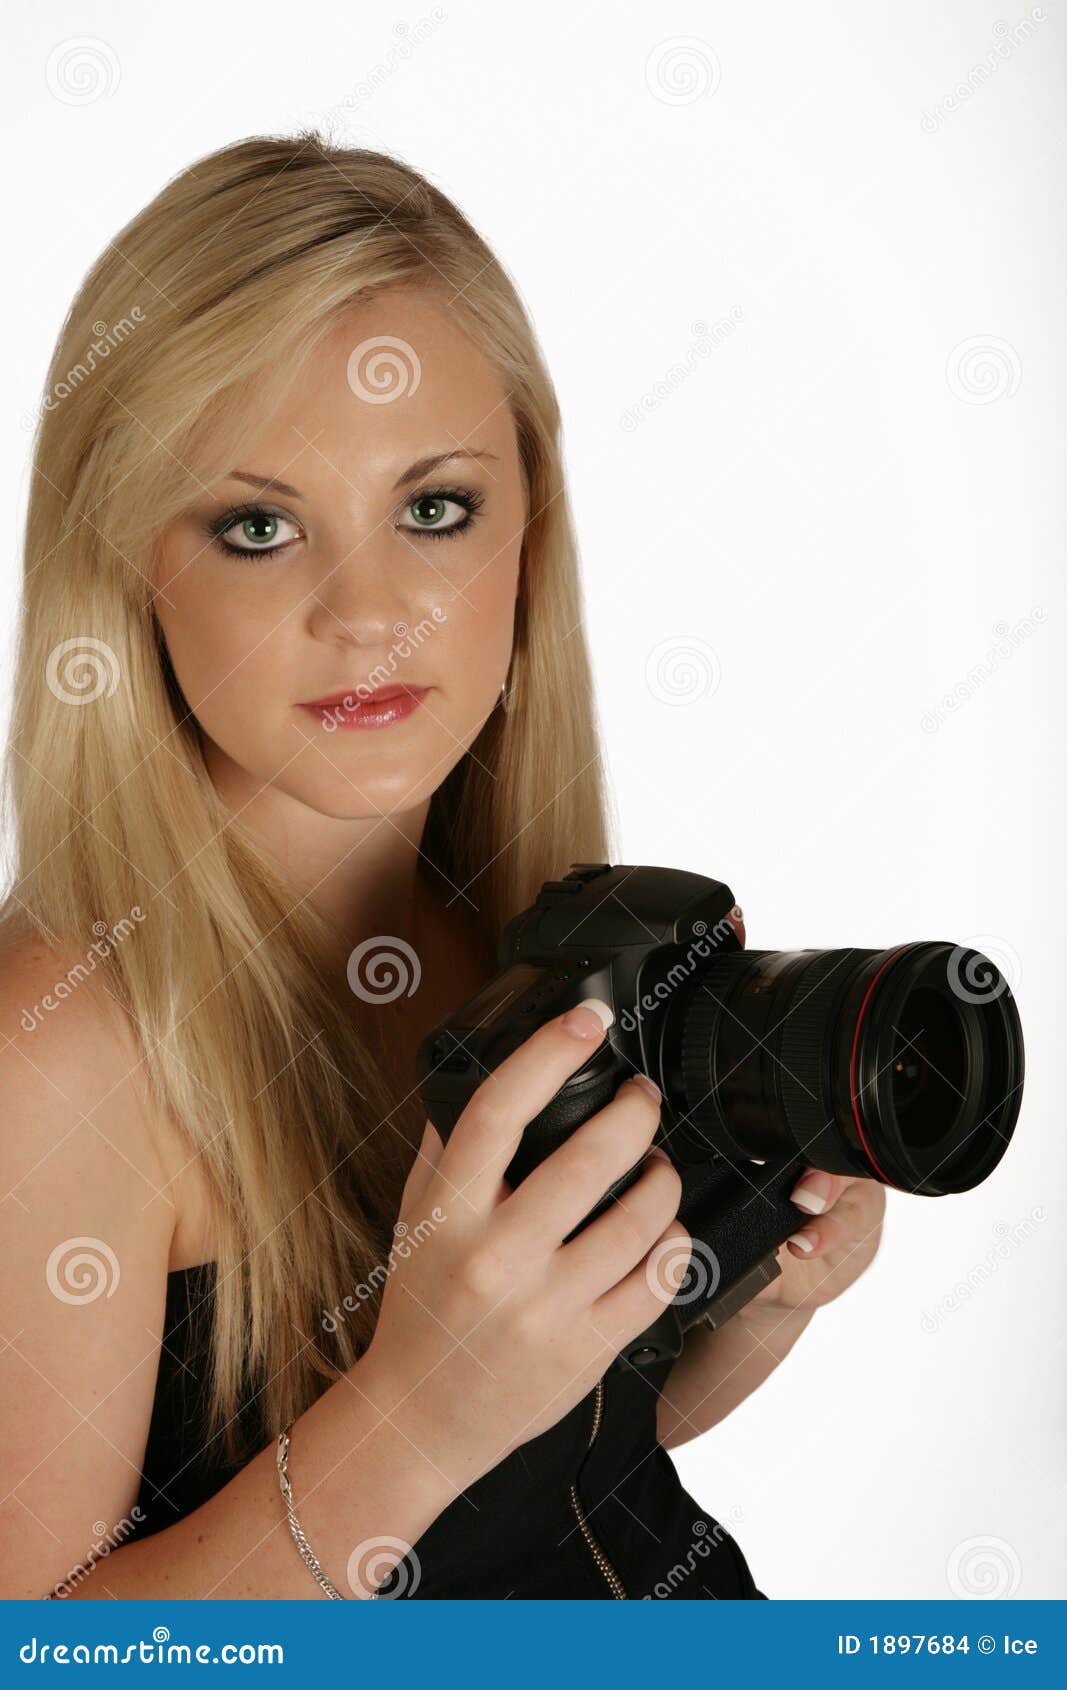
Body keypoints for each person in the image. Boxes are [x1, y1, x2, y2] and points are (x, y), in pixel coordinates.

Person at [0, 132, 884, 1601]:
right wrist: (413, 1415)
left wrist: (758, 1306)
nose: (372, 613)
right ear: (127, 563)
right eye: (260, 526)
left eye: (434, 509)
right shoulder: (62, 1047)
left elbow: (537, 1486)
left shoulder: (526, 938)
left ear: (529, 534)